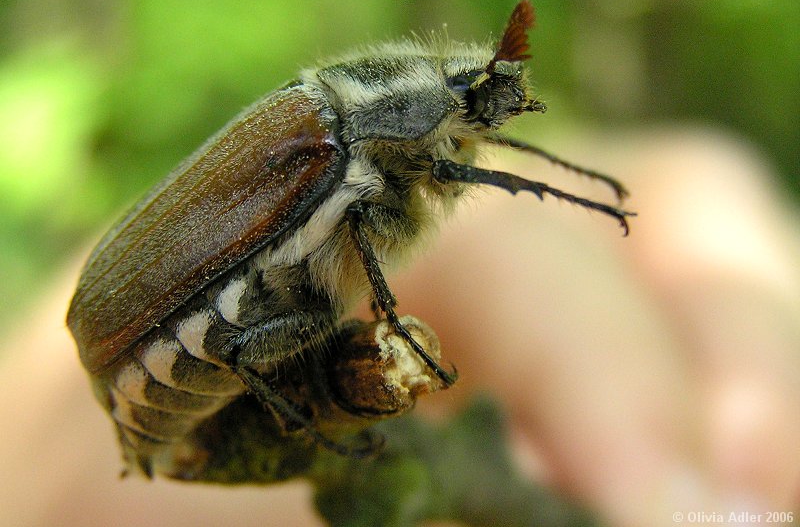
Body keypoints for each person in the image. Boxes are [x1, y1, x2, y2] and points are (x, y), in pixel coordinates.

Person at [2, 129, 798, 527]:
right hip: (160, 342)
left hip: (159, 345)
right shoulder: (337, 151)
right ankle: (300, 426)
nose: (474, 157)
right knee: (260, 335)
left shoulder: (376, 157)